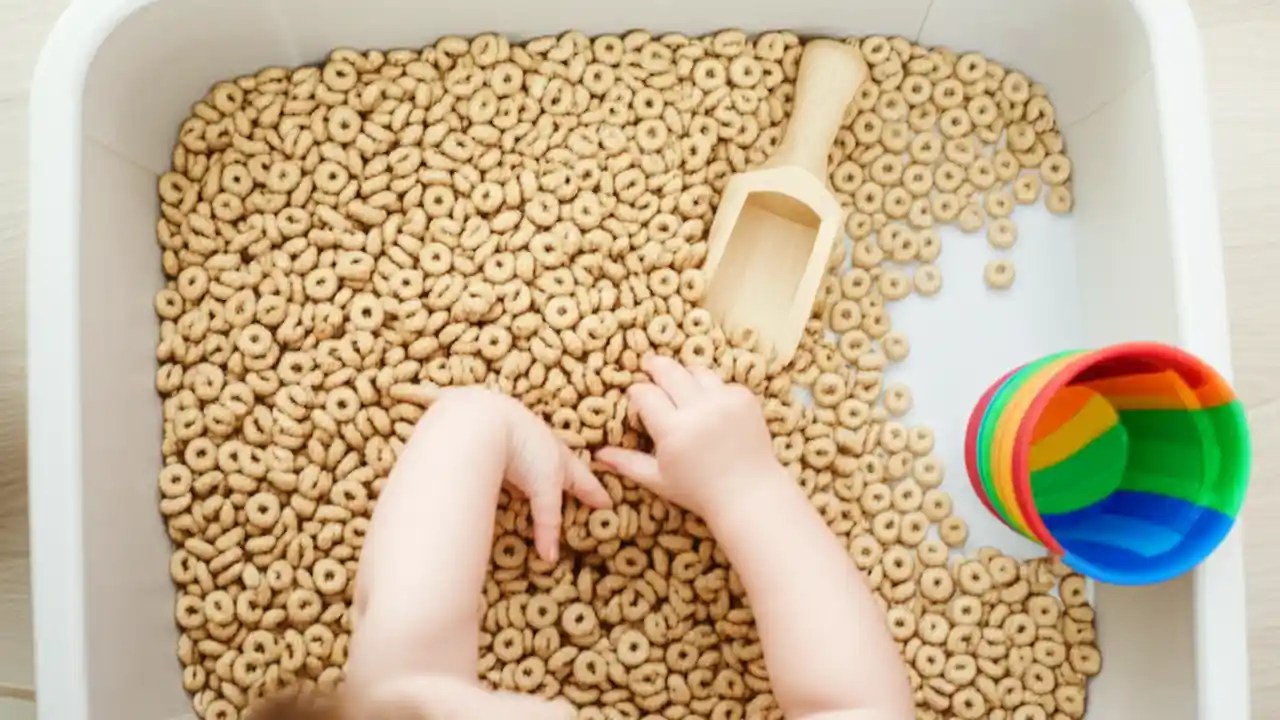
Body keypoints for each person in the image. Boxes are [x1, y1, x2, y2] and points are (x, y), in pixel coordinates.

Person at [254, 355, 912, 719]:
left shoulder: (399, 702)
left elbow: (409, 644)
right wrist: (747, 488)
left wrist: (482, 423)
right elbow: (859, 708)